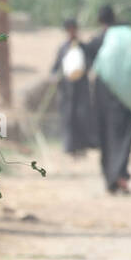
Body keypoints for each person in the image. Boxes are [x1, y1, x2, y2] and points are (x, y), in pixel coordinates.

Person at [81, 4, 131, 195]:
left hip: (105, 91)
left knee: (107, 135)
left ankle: (112, 177)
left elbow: (87, 54)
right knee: (125, 135)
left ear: (100, 20)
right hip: (130, 95)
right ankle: (120, 175)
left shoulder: (105, 37)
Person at [49, 17, 96, 157]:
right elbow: (56, 66)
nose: (71, 32)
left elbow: (89, 65)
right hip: (66, 90)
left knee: (82, 116)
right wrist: (54, 77)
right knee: (68, 117)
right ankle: (70, 147)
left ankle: (82, 146)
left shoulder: (83, 47)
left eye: (73, 29)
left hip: (81, 89)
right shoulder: (63, 48)